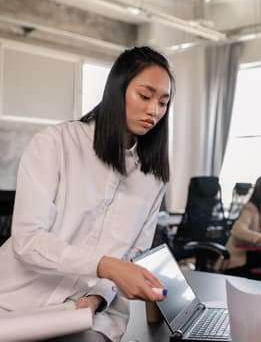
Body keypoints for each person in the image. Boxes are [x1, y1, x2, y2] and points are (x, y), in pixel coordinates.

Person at [0, 46, 174, 342]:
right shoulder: (55, 144)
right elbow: (28, 240)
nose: (154, 111)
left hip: (89, 316)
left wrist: (98, 297)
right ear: (117, 91)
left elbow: (131, 258)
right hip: (14, 305)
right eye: (145, 96)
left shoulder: (153, 179)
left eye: (163, 102)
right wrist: (105, 266)